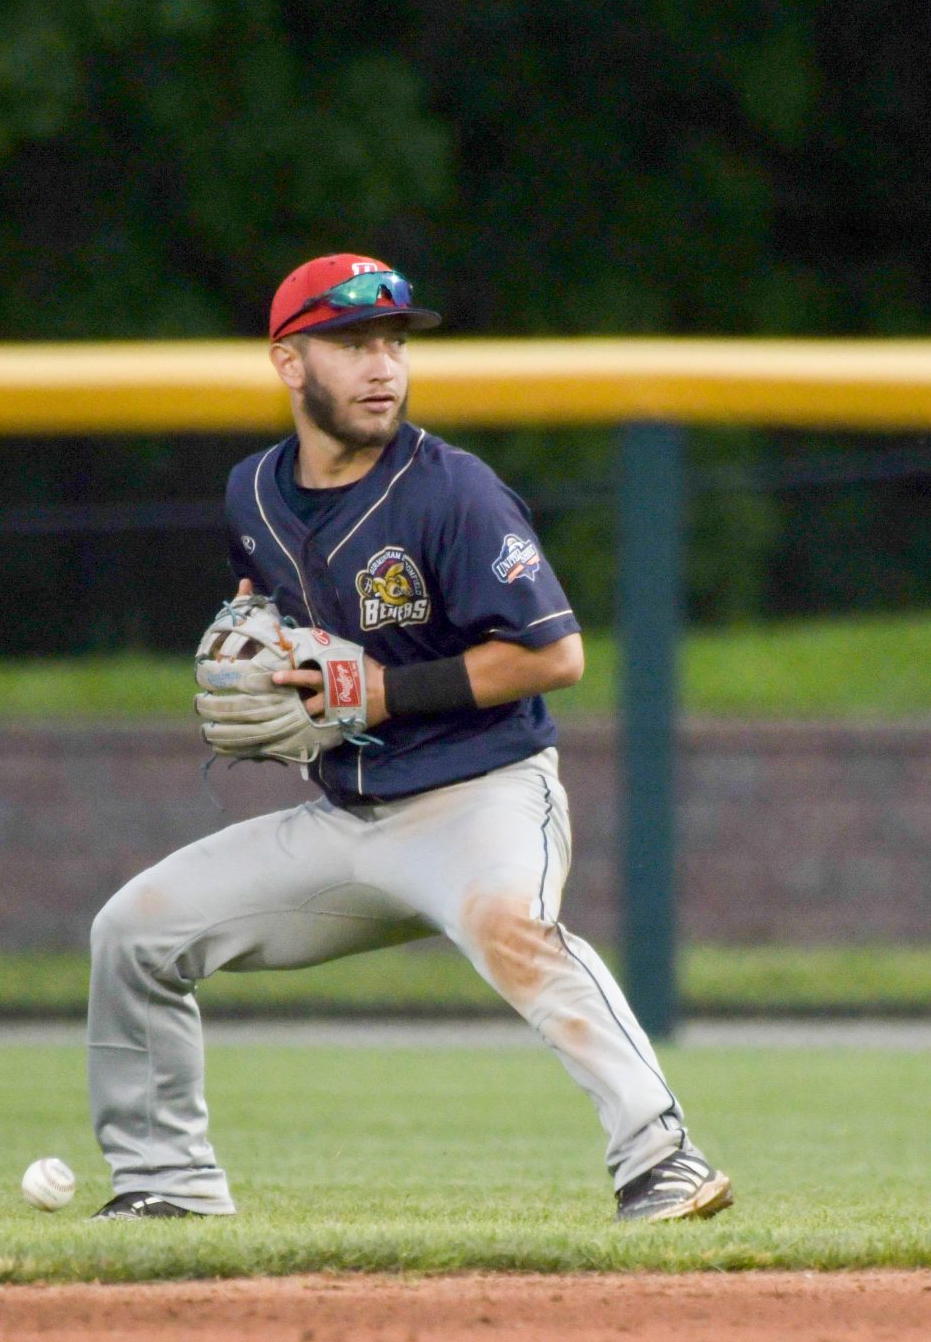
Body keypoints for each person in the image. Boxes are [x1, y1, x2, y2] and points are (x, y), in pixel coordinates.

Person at [82, 252, 733, 1224]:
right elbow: (263, 609)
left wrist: (384, 690)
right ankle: (165, 1187)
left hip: (482, 796)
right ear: (288, 362)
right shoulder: (250, 495)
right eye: (351, 344)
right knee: (132, 933)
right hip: (346, 816)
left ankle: (661, 1158)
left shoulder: (452, 492)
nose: (383, 364)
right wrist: (253, 665)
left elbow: (553, 653)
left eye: (392, 342)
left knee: (516, 926)